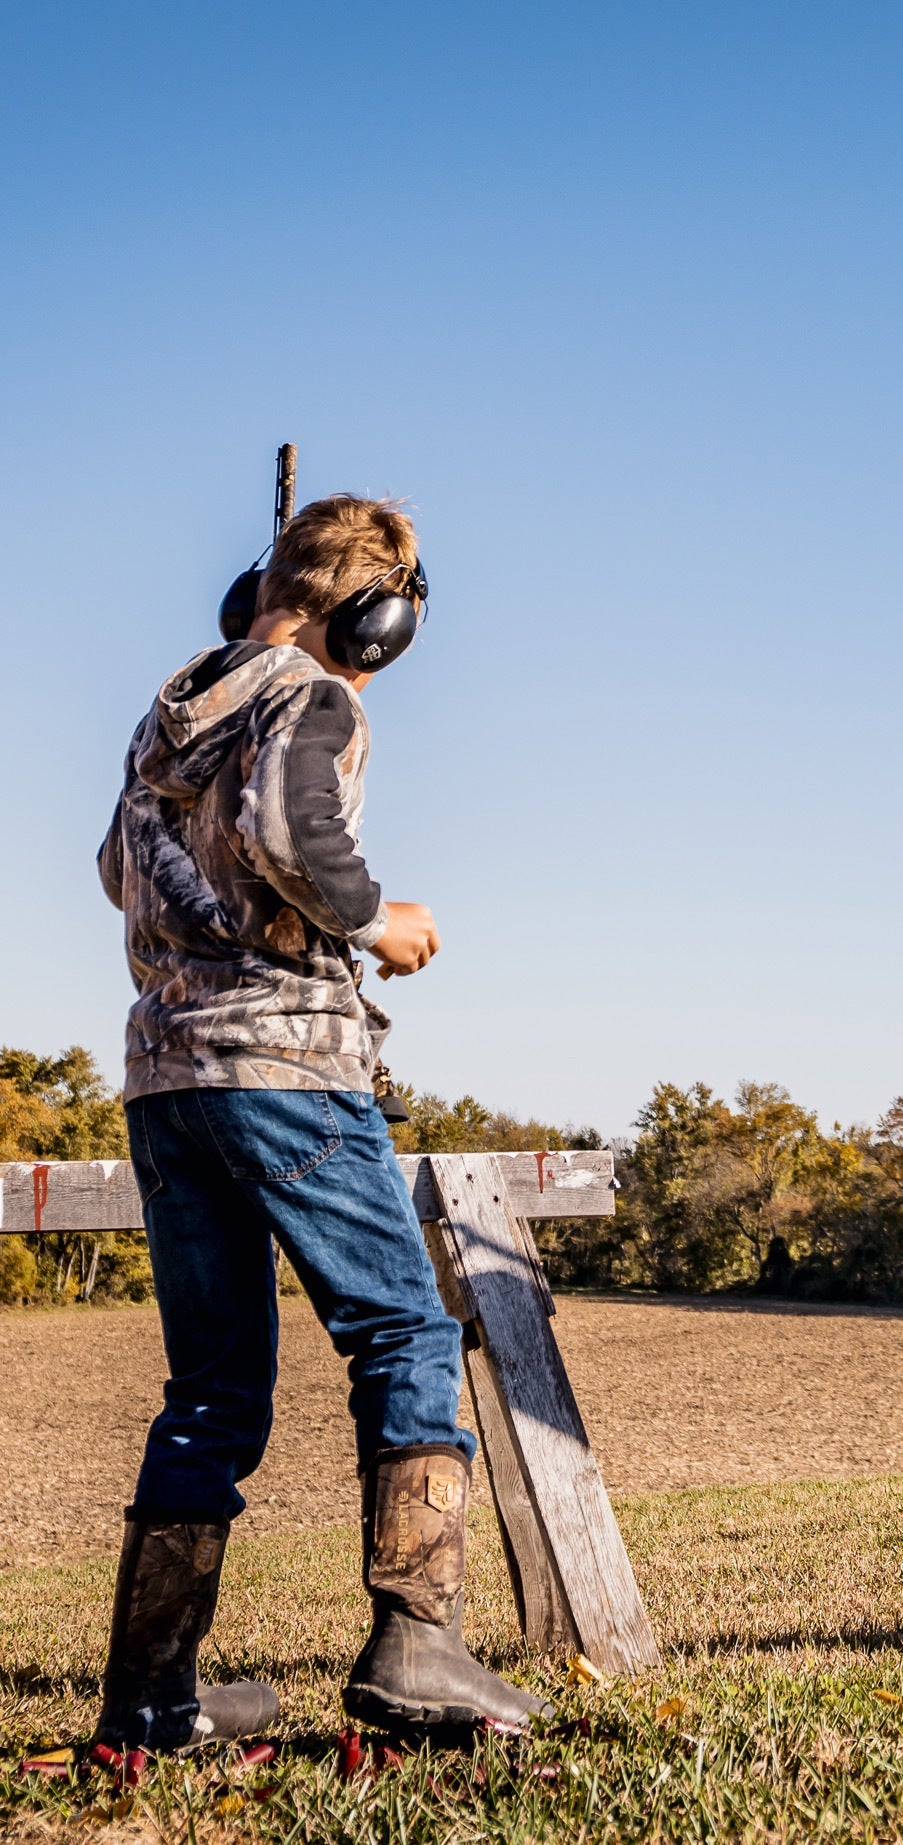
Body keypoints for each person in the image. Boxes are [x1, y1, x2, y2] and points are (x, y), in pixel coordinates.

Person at [93, 493, 544, 1747]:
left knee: (211, 1391)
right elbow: (292, 831)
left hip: (167, 1080)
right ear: (375, 617)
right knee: (403, 1329)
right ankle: (417, 1643)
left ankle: (150, 1702)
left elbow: (115, 871)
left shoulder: (169, 708)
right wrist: (375, 916)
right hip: (288, 1067)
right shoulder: (317, 697)